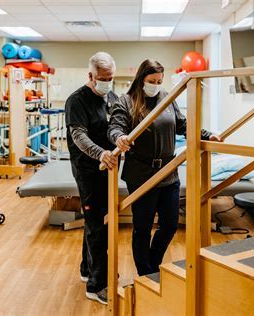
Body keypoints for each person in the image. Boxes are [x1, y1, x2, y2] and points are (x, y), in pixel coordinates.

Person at [108, 59, 220, 276]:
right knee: (142, 228)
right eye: (152, 81)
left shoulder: (167, 98)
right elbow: (115, 127)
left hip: (169, 172)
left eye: (159, 81)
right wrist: (119, 137)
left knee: (169, 224)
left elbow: (183, 125)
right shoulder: (126, 101)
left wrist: (207, 134)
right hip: (141, 174)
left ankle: (151, 265)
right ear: (141, 80)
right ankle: (146, 274)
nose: (156, 85)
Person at [65, 51, 118, 304]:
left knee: (97, 222)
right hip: (88, 170)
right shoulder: (77, 100)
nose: (107, 82)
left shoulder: (112, 97)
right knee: (97, 224)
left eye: (110, 77)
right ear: (91, 76)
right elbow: (79, 136)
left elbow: (116, 127)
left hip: (108, 169)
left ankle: (88, 270)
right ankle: (97, 285)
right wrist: (102, 154)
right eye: (102, 78)